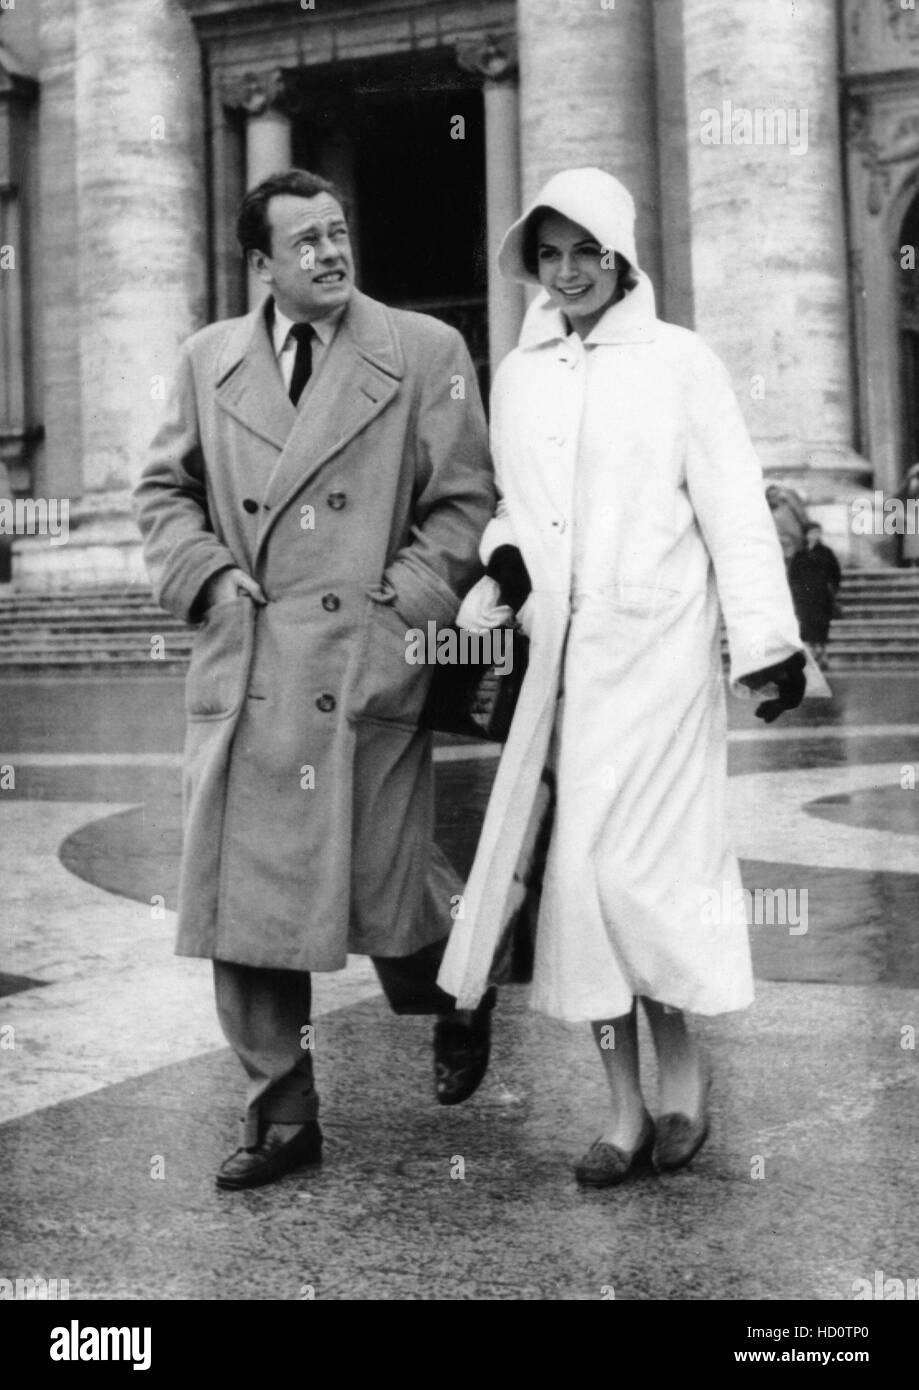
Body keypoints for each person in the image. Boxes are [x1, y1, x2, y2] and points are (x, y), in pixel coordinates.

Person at [439, 167, 807, 1187]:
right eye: (548, 255)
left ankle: (683, 1069)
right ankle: (622, 1107)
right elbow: (515, 503)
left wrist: (766, 643)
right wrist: (505, 564)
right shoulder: (517, 375)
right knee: (576, 888)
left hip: (663, 663)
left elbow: (732, 503)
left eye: (583, 252)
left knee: (641, 877)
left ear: (619, 255)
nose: (566, 273)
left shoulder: (681, 363)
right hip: (563, 667)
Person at [133, 169, 496, 1191]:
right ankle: (281, 1109)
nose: (331, 253)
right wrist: (205, 577)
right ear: (262, 263)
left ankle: (456, 990)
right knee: (245, 903)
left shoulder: (424, 351)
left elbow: (464, 500)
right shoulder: (206, 360)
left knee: (386, 888)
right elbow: (162, 491)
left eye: (339, 233)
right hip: (248, 660)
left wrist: (408, 605)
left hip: (361, 659)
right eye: (307, 241)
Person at [788, 522, 842, 668]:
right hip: (804, 598)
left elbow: (835, 573)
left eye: (817, 532)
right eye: (812, 532)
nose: (815, 535)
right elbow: (793, 575)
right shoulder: (800, 555)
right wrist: (796, 592)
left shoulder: (826, 552)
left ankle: (823, 654)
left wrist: (833, 589)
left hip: (821, 596)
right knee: (807, 625)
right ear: (806, 535)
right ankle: (812, 655)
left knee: (822, 626)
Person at [765, 483, 810, 565]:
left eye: (777, 493)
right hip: (791, 549)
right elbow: (794, 532)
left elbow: (802, 518)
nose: (776, 497)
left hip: (797, 546)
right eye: (772, 496)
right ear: (769, 499)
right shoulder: (776, 513)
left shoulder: (788, 506)